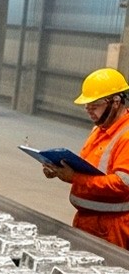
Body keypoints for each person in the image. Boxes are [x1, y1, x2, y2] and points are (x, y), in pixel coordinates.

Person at [43, 67, 129, 248]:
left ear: (115, 102)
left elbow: (122, 184)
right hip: (87, 222)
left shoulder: (126, 135)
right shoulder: (99, 129)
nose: (89, 111)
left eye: (94, 105)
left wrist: (74, 177)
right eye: (87, 106)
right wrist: (60, 170)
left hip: (112, 229)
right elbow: (89, 171)